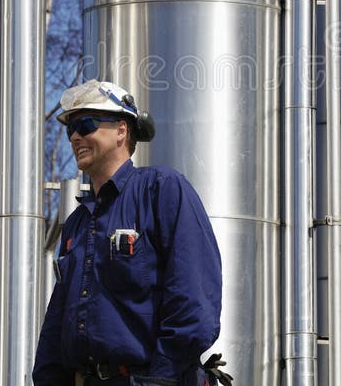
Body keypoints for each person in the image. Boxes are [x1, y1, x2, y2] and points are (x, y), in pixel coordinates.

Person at [33, 80, 229, 386]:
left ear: (121, 130)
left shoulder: (161, 190)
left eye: (85, 124)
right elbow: (57, 322)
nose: (75, 136)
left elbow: (194, 301)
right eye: (70, 128)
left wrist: (160, 378)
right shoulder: (76, 224)